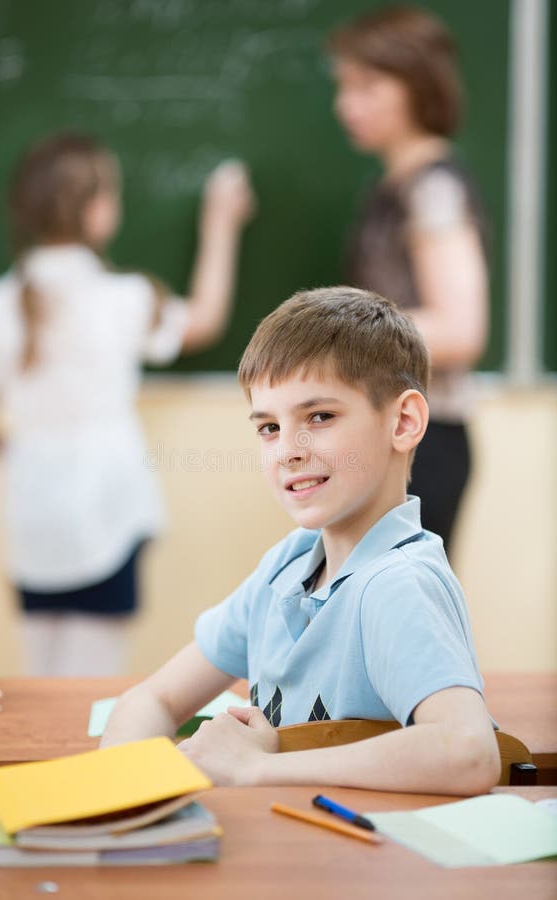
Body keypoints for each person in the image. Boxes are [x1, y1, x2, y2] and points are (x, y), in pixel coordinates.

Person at [101, 287, 500, 796]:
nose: (288, 450)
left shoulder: (397, 583)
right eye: (269, 426)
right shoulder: (287, 566)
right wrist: (118, 800)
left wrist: (256, 771)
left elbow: (468, 753)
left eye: (320, 417)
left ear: (403, 422)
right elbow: (154, 699)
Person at [0, 132, 254, 677]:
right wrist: (221, 222)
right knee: (85, 691)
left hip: (32, 525)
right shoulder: (125, 299)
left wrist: (35, 459)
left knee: (42, 685)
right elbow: (207, 318)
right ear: (95, 213)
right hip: (108, 515)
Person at [327, 6, 489, 555]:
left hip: (426, 437)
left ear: (417, 83)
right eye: (344, 87)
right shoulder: (391, 186)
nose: (346, 105)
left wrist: (337, 334)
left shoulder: (432, 190)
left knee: (404, 618)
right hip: (397, 433)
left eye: (367, 85)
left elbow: (460, 330)